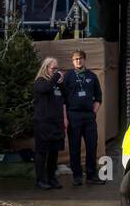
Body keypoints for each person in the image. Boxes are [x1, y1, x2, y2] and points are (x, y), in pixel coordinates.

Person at [63, 49, 102, 187]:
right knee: (75, 147)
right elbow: (62, 99)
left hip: (88, 116)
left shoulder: (92, 76)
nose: (78, 61)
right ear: (72, 61)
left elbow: (98, 98)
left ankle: (91, 175)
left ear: (85, 60)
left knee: (92, 146)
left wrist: (94, 113)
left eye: (80, 58)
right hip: (73, 116)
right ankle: (77, 176)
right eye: (75, 59)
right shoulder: (67, 77)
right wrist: (65, 117)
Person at [33, 58, 65, 190]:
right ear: (46, 68)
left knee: (54, 152)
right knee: (42, 152)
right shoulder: (40, 82)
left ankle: (52, 178)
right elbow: (46, 89)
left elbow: (63, 97)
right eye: (53, 68)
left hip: (56, 123)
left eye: (57, 68)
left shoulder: (55, 83)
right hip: (43, 124)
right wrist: (56, 76)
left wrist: (61, 82)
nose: (56, 71)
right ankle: (40, 180)